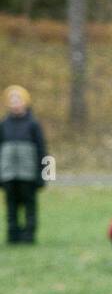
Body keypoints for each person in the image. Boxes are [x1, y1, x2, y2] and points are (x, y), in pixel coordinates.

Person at [1, 85, 47, 244]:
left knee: (30, 207)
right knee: (11, 208)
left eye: (18, 100)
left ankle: (29, 237)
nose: (15, 103)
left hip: (28, 174)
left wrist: (45, 176)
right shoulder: (4, 124)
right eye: (12, 100)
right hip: (9, 174)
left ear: (25, 102)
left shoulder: (33, 124)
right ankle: (12, 236)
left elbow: (43, 151)